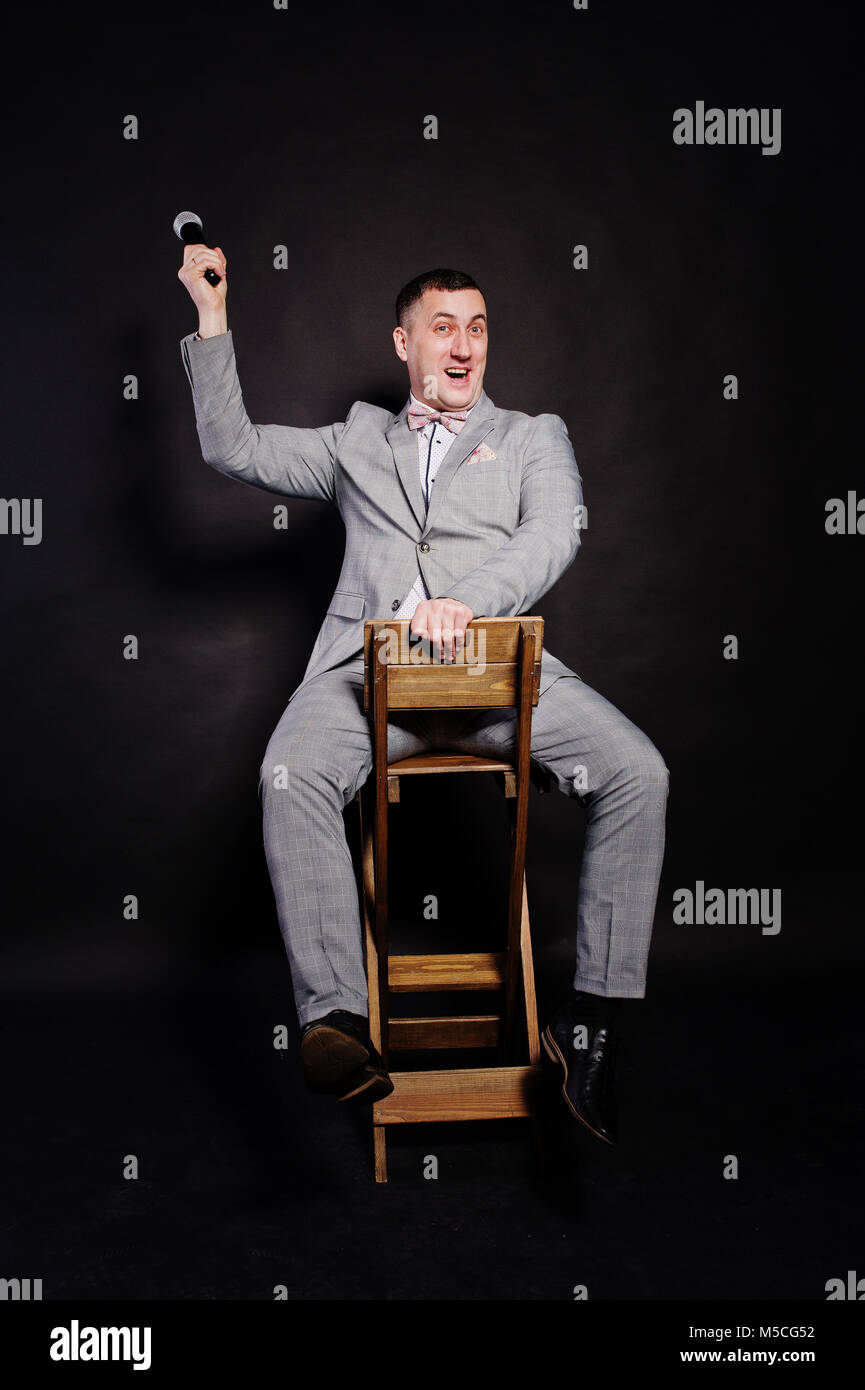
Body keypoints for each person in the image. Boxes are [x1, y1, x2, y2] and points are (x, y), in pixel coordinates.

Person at [177, 243, 669, 1144]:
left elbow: (553, 535)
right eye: (442, 327)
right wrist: (212, 317)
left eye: (477, 328)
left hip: (499, 679)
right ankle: (337, 1023)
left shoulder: (531, 436)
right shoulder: (354, 441)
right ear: (402, 342)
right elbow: (232, 447)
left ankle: (593, 1026)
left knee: (638, 771)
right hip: (366, 685)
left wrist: (468, 602)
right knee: (288, 771)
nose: (464, 344)